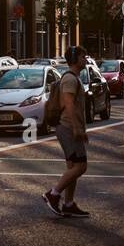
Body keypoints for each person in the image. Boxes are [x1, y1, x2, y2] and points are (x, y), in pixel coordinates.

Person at [43, 45, 90, 217]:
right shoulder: (70, 79)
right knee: (81, 166)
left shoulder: (72, 78)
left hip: (68, 128)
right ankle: (53, 194)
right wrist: (78, 128)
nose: (85, 59)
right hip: (68, 128)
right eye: (83, 56)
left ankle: (68, 204)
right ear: (76, 59)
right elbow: (68, 104)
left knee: (72, 167)